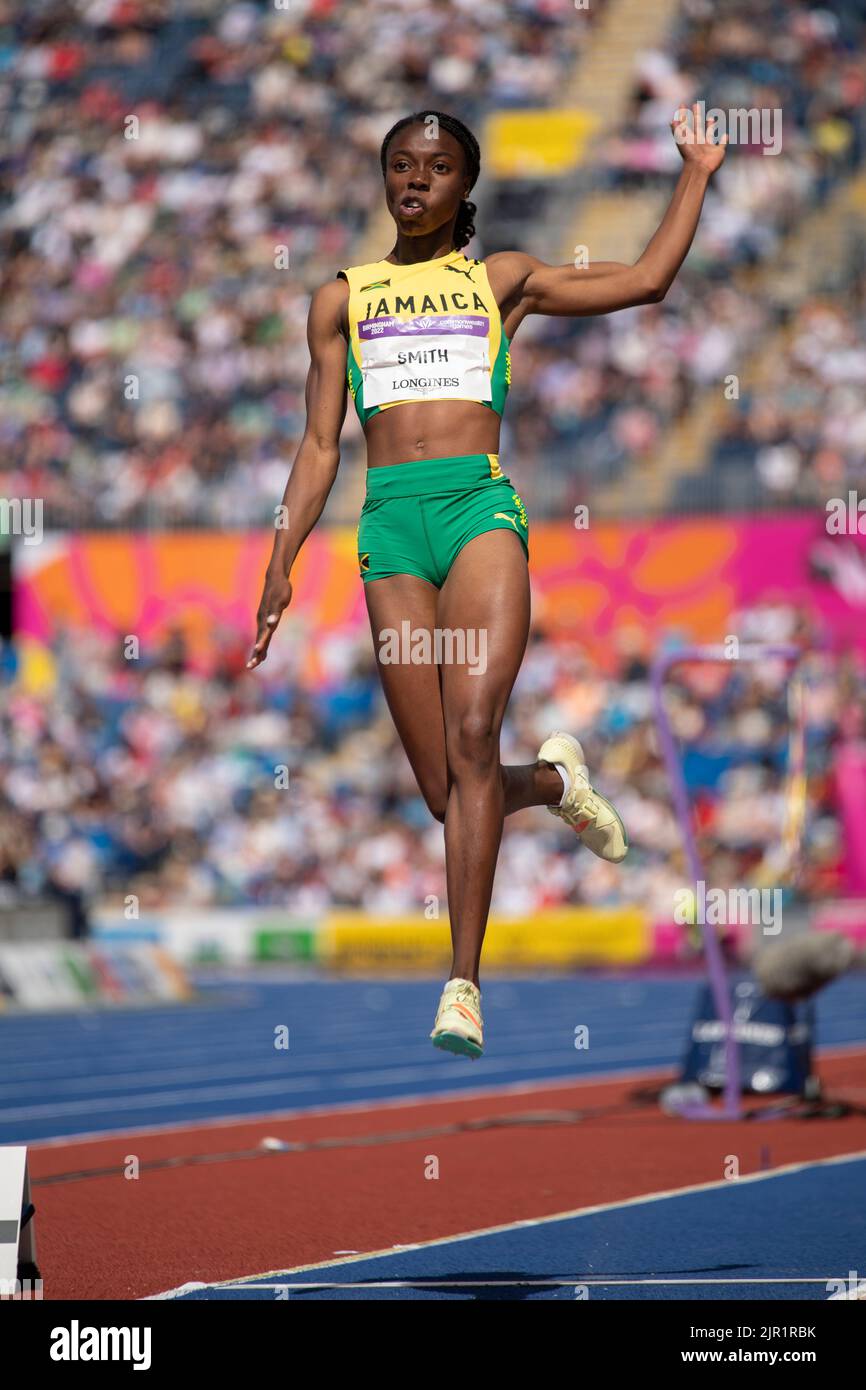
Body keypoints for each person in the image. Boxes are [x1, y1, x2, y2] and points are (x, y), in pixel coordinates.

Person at [249, 105, 726, 1058]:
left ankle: (462, 984)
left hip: (476, 512)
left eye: (435, 166)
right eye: (399, 165)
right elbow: (316, 444)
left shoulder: (499, 280)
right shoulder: (342, 297)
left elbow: (646, 280)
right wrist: (280, 558)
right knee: (444, 787)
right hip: (390, 528)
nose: (414, 179)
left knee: (473, 736)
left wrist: (698, 172)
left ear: (466, 186)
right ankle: (553, 781)